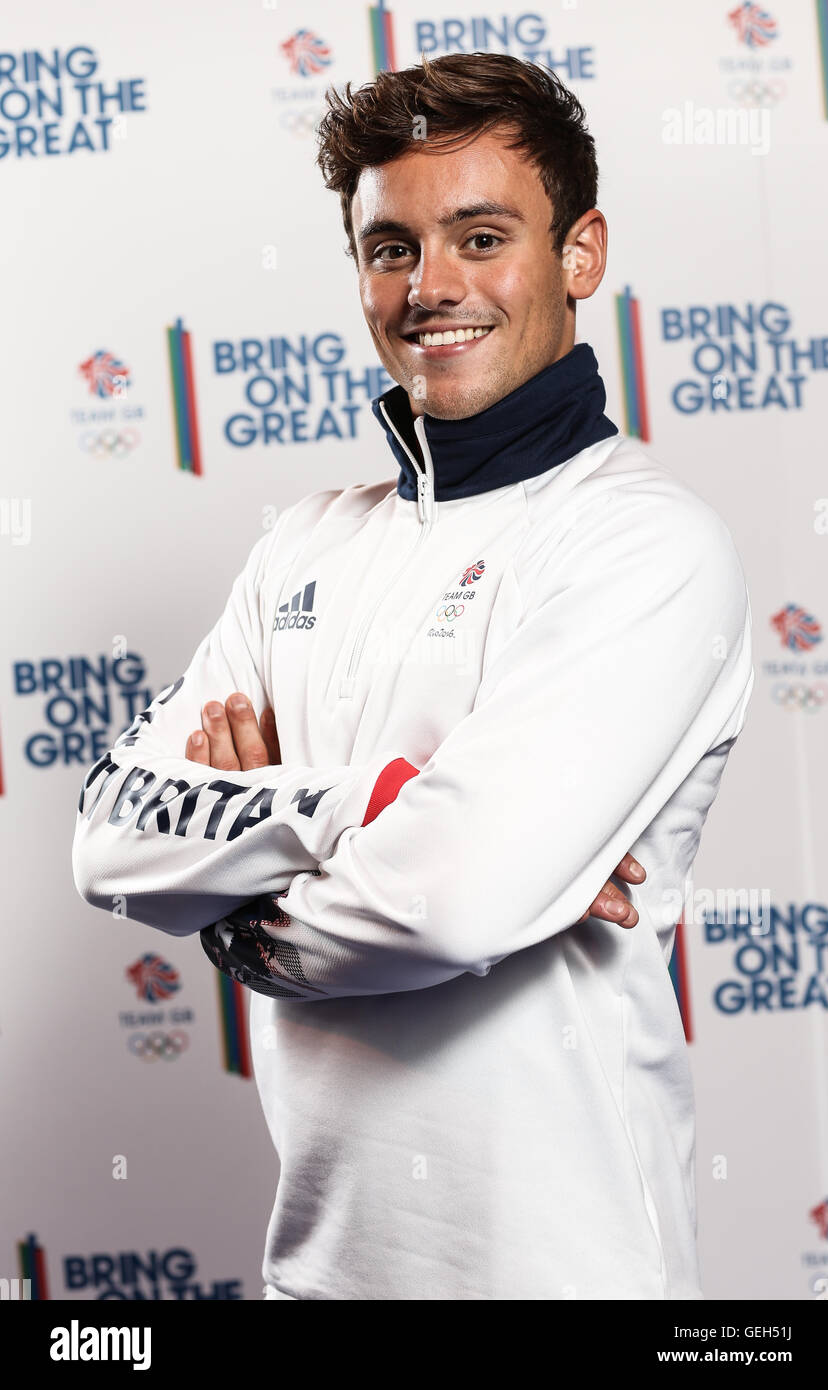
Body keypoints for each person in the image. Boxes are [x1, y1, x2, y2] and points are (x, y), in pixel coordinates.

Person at [72, 52, 754, 1300]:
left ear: (580, 254)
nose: (430, 287)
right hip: (314, 1276)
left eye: (479, 235)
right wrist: (365, 809)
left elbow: (444, 906)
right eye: (390, 249)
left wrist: (229, 892)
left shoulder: (645, 545)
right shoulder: (305, 541)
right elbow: (110, 834)